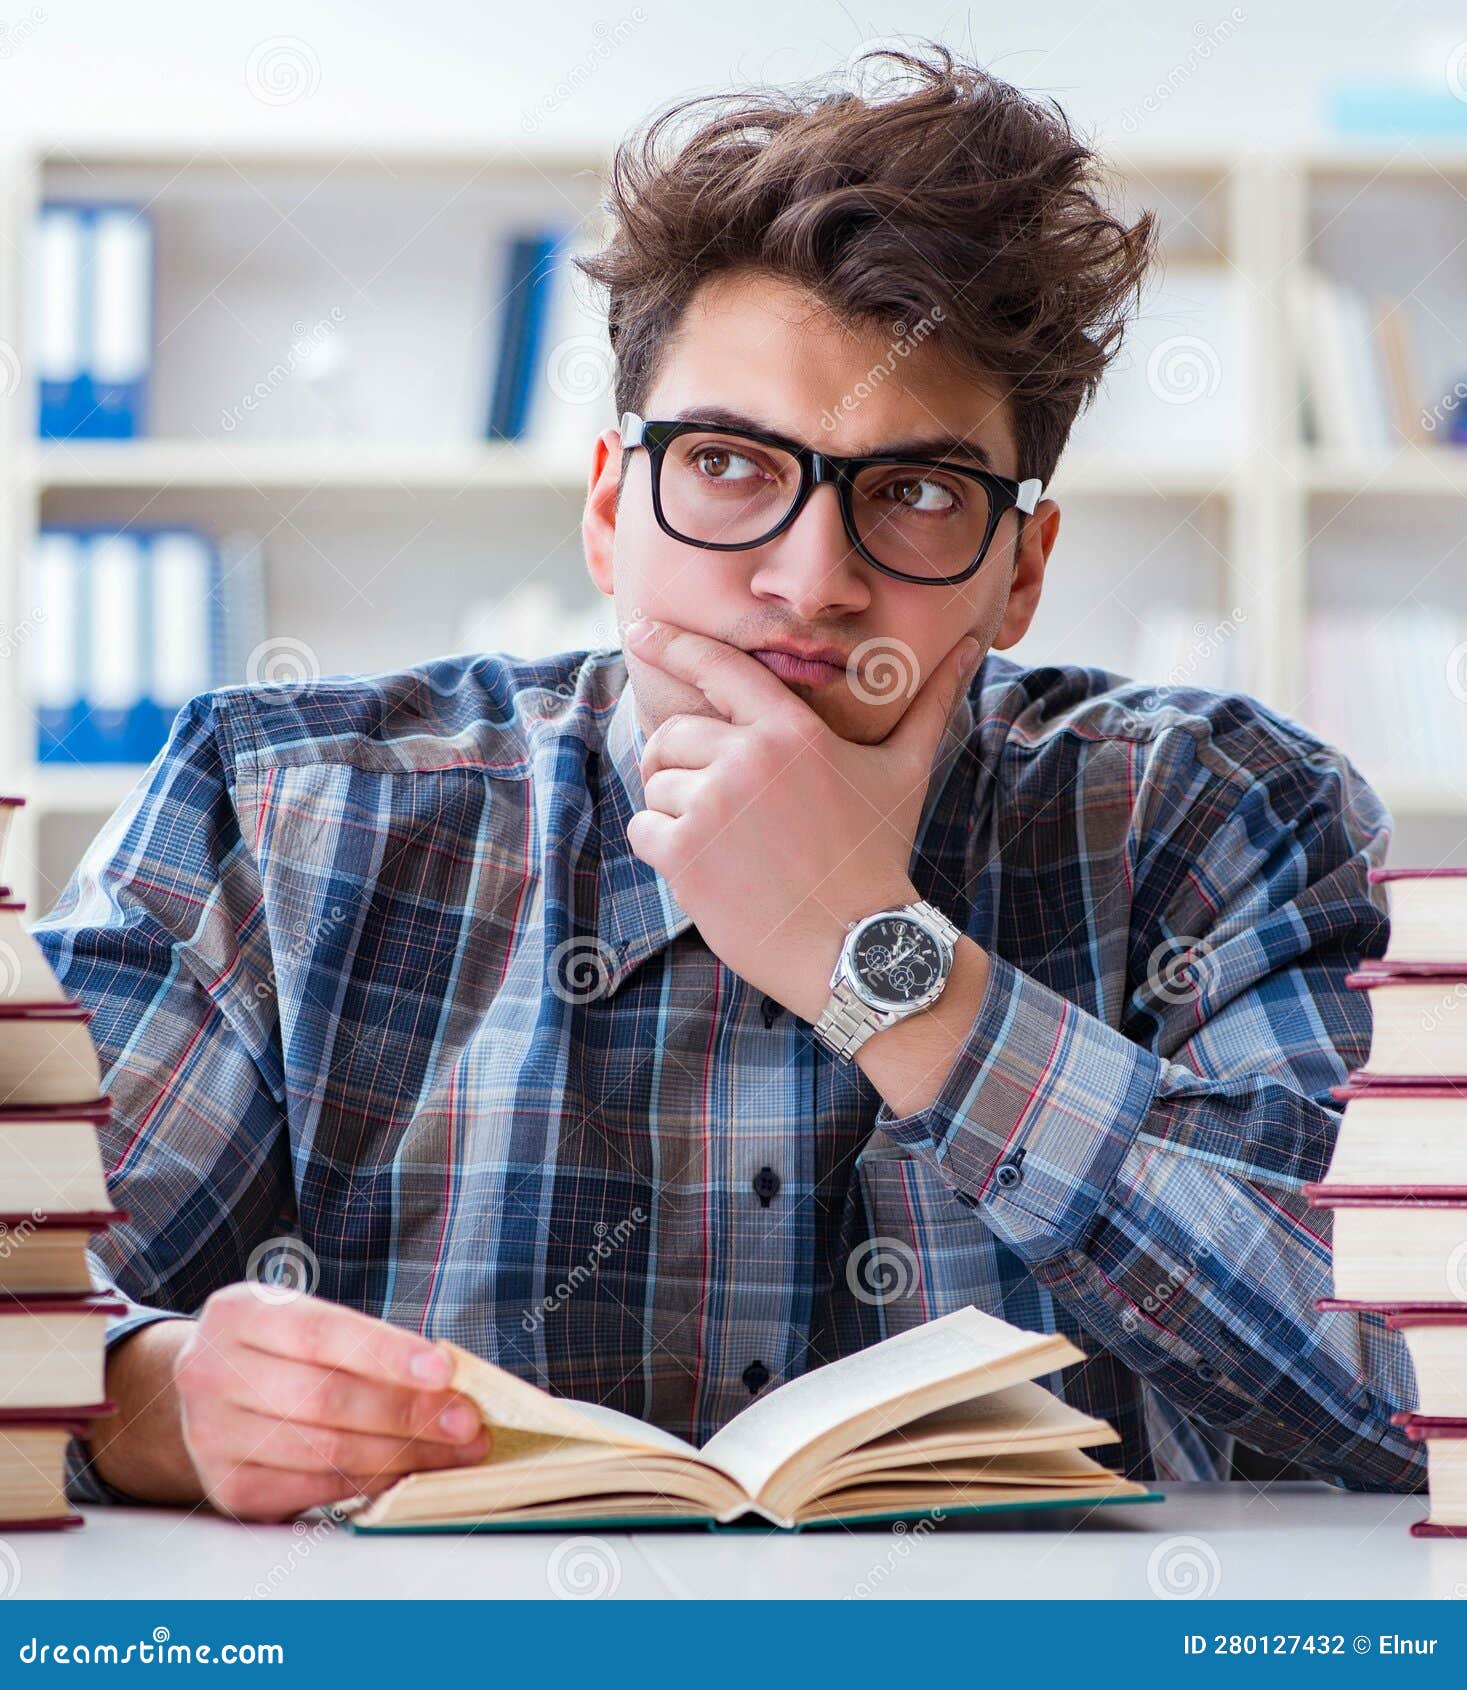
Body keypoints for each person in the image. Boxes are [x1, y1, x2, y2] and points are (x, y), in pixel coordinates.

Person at [39, 43, 1417, 1522]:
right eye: (729, 466)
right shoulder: (282, 810)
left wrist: (872, 956)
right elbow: (39, 1275)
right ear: (608, 506)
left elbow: (1410, 1373)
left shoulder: (1221, 814)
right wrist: (145, 1399)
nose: (813, 580)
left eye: (922, 493)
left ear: (1021, 572)